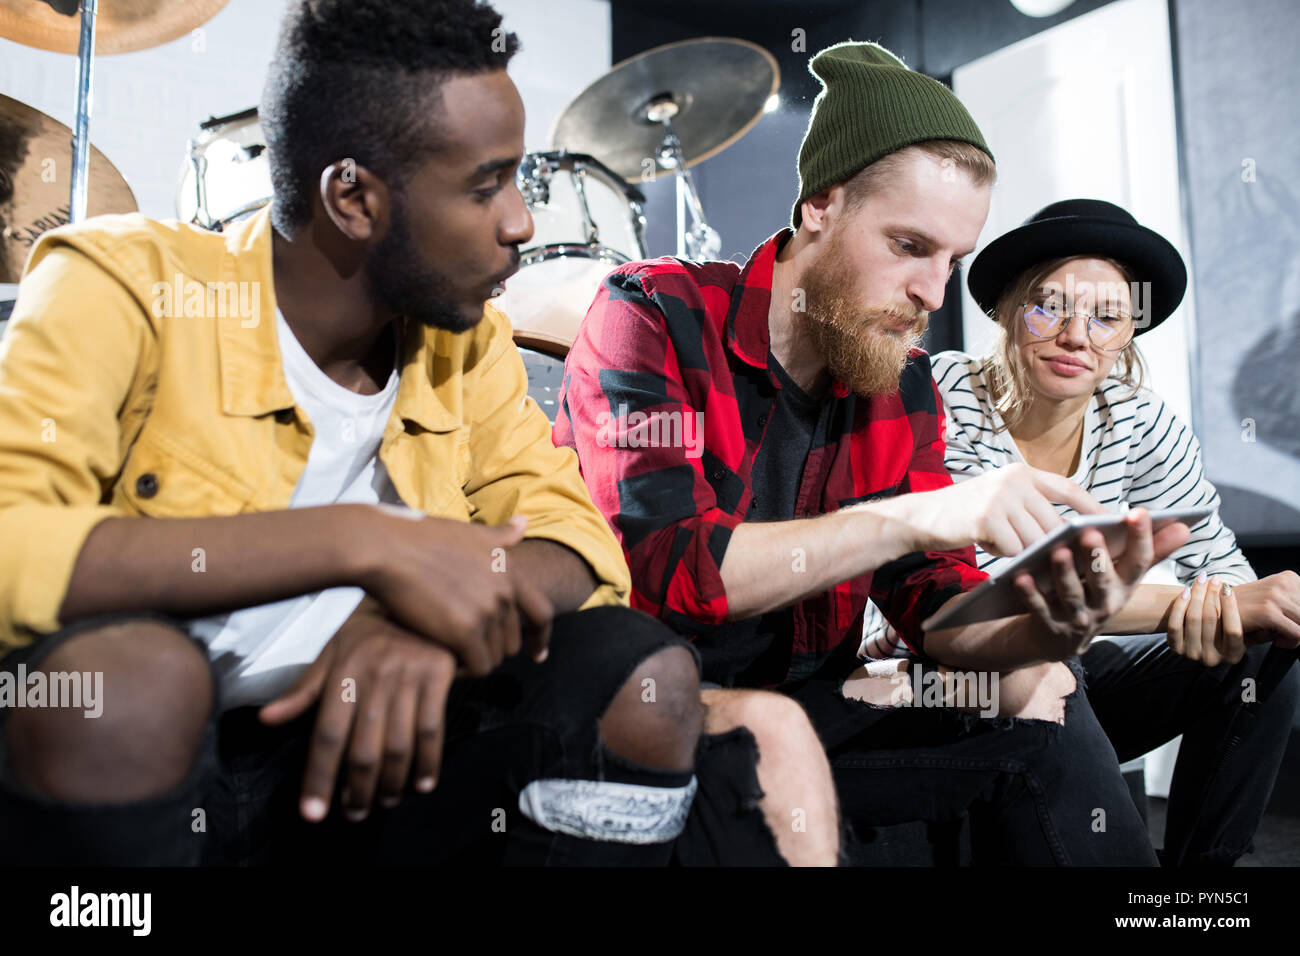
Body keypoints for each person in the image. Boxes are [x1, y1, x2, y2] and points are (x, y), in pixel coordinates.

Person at [0, 0, 837, 867]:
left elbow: (580, 545)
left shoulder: (462, 340)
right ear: (353, 198)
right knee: (126, 691)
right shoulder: (124, 284)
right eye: (486, 186)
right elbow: (13, 544)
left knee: (642, 671)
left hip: (366, 756)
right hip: (169, 773)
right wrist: (359, 544)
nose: (520, 222)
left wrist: (414, 616)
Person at [555, 41, 1195, 865]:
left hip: (823, 700)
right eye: (908, 247)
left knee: (1046, 702)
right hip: (659, 711)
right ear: (821, 206)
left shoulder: (904, 381)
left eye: (952, 261)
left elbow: (934, 611)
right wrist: (915, 516)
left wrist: (1037, 620)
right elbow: (672, 565)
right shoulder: (653, 315)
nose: (934, 292)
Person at [861, 198, 1300, 865]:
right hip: (935, 673)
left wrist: (1235, 605)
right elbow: (986, 601)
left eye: (1107, 318)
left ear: (1127, 336)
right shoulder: (938, 394)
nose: (1076, 336)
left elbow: (1215, 558)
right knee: (1040, 659)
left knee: (1260, 647)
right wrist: (1195, 604)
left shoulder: (1143, 423)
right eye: (1049, 307)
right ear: (1006, 309)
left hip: (1075, 683)